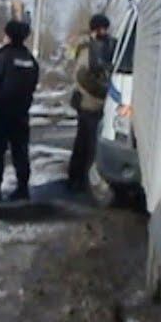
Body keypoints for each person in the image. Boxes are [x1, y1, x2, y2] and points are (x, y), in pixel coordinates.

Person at [0, 20, 40, 202]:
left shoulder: (2, 57)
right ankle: (23, 189)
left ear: (7, 35)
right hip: (22, 114)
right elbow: (33, 84)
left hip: (2, 113)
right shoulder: (30, 59)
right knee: (21, 153)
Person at [66, 13, 116, 192]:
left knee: (90, 143)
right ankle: (78, 179)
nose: (103, 32)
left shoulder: (108, 45)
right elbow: (82, 75)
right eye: (100, 28)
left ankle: (81, 178)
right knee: (85, 144)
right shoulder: (87, 48)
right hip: (88, 102)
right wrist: (103, 91)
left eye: (105, 28)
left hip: (102, 102)